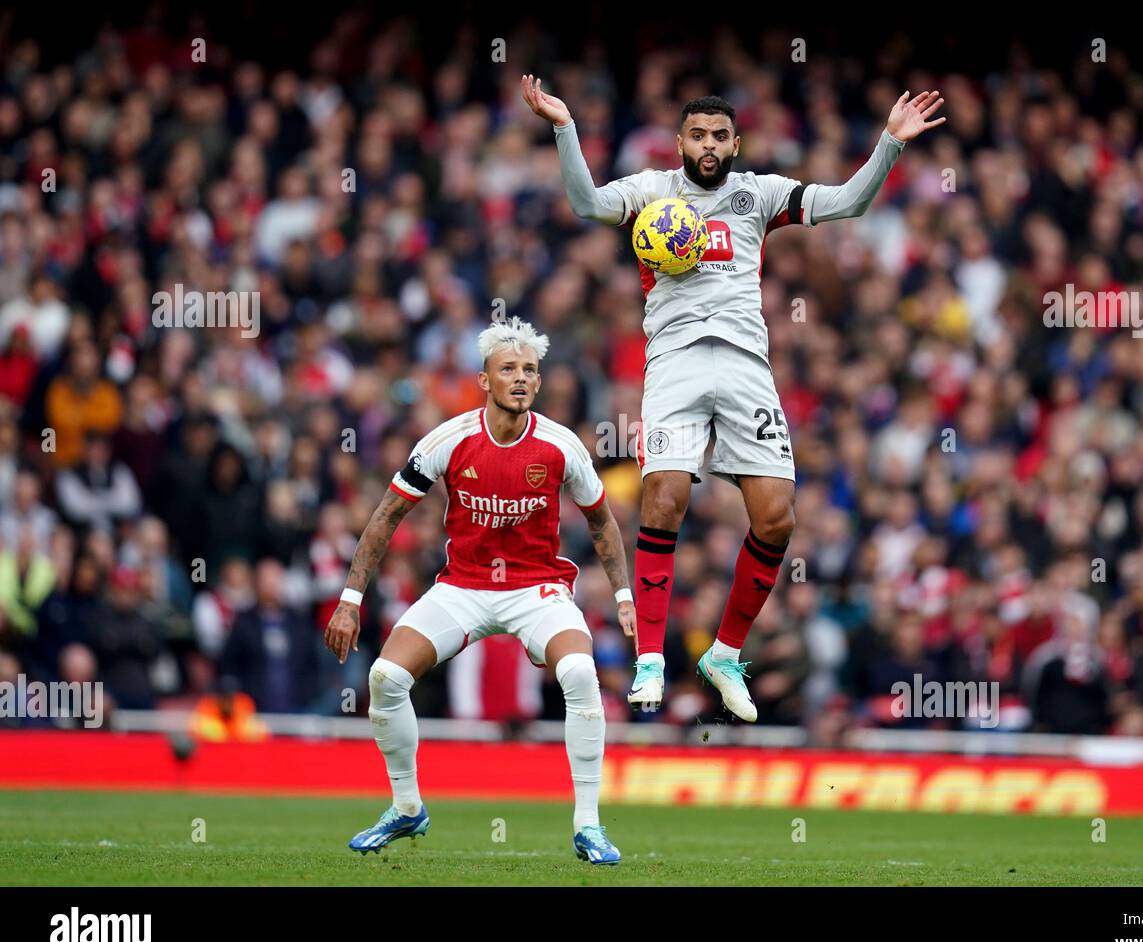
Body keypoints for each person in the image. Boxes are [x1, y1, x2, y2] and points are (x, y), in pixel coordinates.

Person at [523, 75, 945, 720]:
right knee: (665, 494)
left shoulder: (760, 194)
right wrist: (564, 127)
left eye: (720, 135)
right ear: (681, 142)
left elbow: (846, 204)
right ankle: (652, 660)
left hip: (748, 364)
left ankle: (724, 655)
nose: (710, 145)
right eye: (698, 135)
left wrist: (889, 143)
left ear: (736, 141)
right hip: (675, 359)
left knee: (777, 517)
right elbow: (585, 204)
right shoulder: (652, 191)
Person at [324, 318, 636, 864]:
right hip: (463, 585)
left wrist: (624, 597)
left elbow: (602, 522)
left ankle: (588, 825)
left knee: (581, 674)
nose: (520, 378)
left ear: (539, 383)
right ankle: (406, 807)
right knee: (385, 677)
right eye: (508, 369)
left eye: (530, 370)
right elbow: (385, 517)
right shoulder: (448, 440)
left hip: (536, 587)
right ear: (485, 380)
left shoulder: (563, 447)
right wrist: (350, 601)